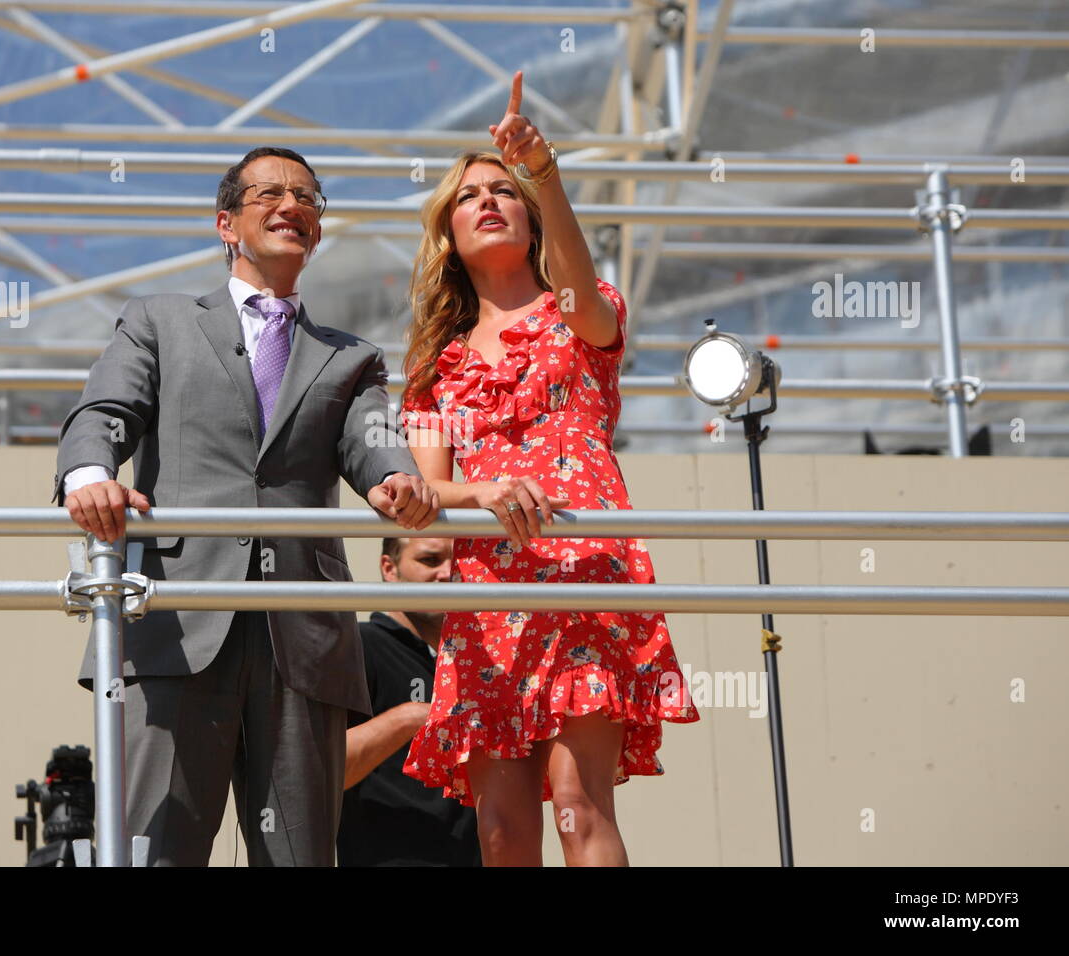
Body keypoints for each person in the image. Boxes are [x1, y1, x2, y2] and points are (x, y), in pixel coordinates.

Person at [52, 146, 439, 866]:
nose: (291, 205)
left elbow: (374, 441)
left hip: (305, 639)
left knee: (297, 858)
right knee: (153, 852)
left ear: (317, 232)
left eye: (306, 197)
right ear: (226, 223)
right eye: (268, 193)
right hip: (175, 625)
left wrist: (398, 479)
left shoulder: (351, 357)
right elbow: (103, 411)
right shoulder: (158, 321)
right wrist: (88, 477)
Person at [397, 72, 700, 867]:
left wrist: (546, 169)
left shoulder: (576, 315)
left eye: (505, 191)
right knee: (499, 827)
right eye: (470, 197)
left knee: (577, 801)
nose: (490, 201)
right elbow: (426, 493)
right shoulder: (437, 362)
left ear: (530, 218)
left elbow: (577, 283)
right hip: (490, 592)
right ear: (448, 234)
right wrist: (481, 489)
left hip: (584, 571)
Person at [337, 537, 481, 867]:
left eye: (456, 563)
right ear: (390, 568)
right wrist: (410, 718)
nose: (447, 573)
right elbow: (316, 773)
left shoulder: (480, 663)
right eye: (430, 560)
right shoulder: (360, 646)